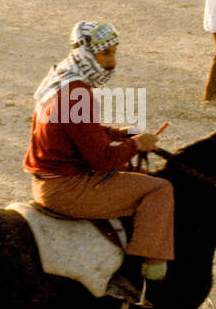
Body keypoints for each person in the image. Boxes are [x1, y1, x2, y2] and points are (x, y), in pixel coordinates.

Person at [25, 21, 173, 285]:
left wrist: (121, 134)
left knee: (130, 174)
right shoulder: (77, 93)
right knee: (159, 188)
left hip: (47, 184)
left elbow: (81, 131)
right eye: (106, 54)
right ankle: (151, 272)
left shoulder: (60, 81)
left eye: (114, 53)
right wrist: (138, 144)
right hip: (67, 189)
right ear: (85, 53)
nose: (112, 62)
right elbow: (102, 160)